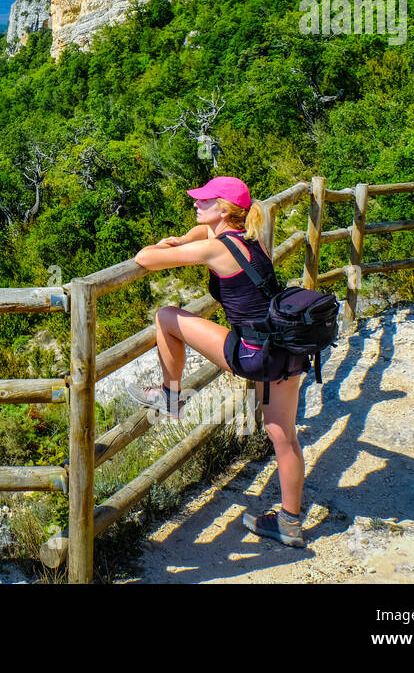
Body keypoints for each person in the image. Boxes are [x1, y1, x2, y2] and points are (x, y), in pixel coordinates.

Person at [126, 175, 308, 548]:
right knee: (284, 436)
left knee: (166, 316)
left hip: (253, 356)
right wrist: (186, 237)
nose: (195, 204)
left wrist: (165, 244)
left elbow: (145, 258)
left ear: (224, 209)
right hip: (285, 350)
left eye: (203, 200)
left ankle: (170, 396)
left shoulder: (216, 250)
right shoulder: (251, 238)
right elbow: (200, 231)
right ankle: (290, 522)